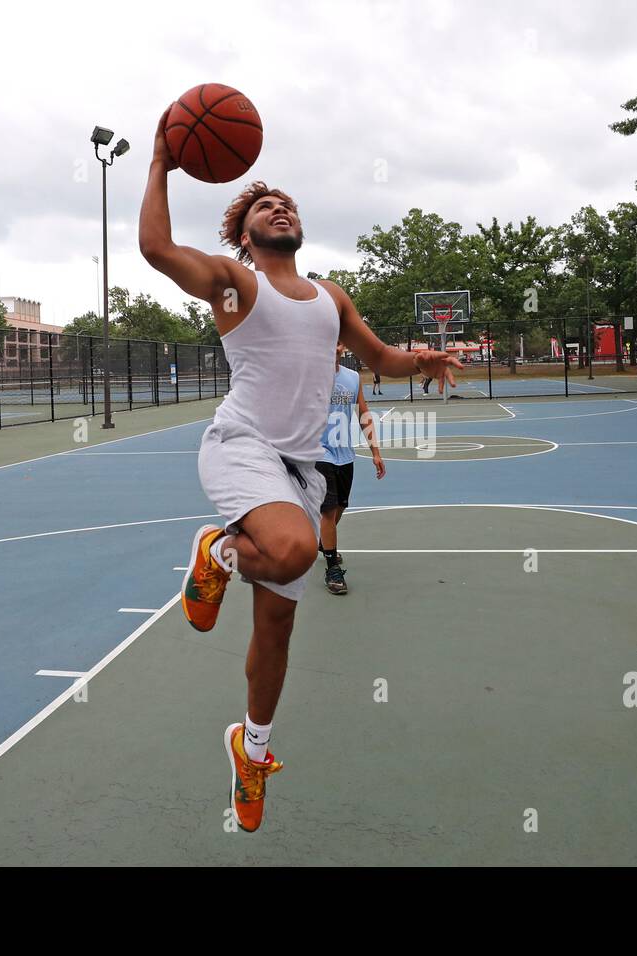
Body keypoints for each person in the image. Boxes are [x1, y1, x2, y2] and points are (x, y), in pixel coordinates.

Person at [138, 108, 462, 833]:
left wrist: (424, 360)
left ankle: (251, 749)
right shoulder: (233, 285)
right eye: (264, 206)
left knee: (277, 630)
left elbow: (380, 361)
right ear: (245, 235)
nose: (280, 207)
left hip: (304, 470)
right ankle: (221, 548)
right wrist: (160, 161)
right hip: (244, 447)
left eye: (286, 202)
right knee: (295, 547)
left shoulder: (330, 297)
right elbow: (157, 249)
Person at [317, 344, 385, 595]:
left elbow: (364, 413)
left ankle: (323, 543)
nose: (333, 345)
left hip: (344, 453)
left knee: (341, 507)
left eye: (337, 339)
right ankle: (332, 568)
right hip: (317, 452)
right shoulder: (309, 375)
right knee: (328, 508)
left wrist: (375, 452)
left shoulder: (353, 377)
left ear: (343, 346)